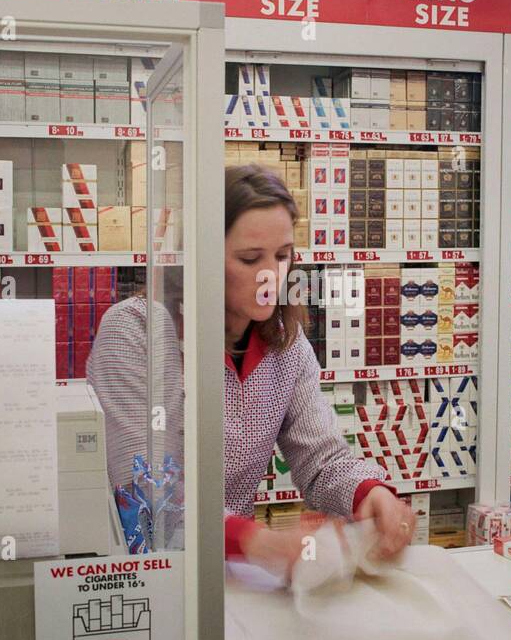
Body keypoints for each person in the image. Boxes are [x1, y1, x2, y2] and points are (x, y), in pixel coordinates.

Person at [89, 164, 416, 572]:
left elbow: (322, 458)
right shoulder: (138, 332)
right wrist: (257, 542)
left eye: (282, 256)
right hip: (140, 579)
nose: (270, 275)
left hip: (227, 577)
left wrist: (370, 493)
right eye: (249, 258)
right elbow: (145, 494)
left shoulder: (286, 344)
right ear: (201, 257)